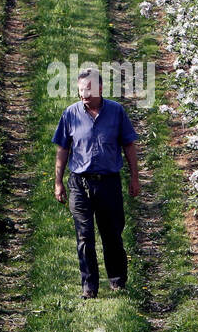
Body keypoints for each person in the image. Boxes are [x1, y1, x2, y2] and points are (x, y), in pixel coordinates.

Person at [52, 67, 140, 299]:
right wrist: (58, 183)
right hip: (79, 184)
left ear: (100, 88)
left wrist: (134, 177)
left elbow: (129, 145)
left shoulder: (116, 112)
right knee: (84, 236)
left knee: (112, 234)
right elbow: (62, 149)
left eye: (88, 90)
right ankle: (89, 286)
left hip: (109, 183)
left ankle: (117, 281)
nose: (84, 95)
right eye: (81, 91)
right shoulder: (70, 114)